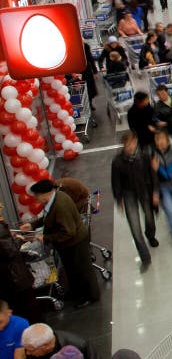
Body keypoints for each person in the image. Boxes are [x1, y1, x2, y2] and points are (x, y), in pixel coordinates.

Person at [23, 180, 100, 309]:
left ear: (43, 194)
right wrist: (32, 224)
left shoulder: (60, 205)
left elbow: (68, 232)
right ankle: (77, 293)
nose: (36, 199)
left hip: (75, 243)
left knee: (82, 271)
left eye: (36, 195)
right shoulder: (55, 199)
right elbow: (48, 218)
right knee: (72, 271)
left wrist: (45, 237)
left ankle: (90, 297)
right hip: (68, 245)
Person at [112, 131, 158, 270]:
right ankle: (145, 257)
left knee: (149, 217)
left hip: (144, 190)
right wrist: (118, 198)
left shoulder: (144, 156)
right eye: (128, 144)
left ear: (137, 141)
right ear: (123, 145)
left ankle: (150, 234)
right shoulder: (117, 162)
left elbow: (152, 174)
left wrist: (155, 192)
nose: (131, 146)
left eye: (133, 142)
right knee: (134, 226)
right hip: (128, 194)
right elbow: (116, 181)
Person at [1, 203, 40, 324]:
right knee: (31, 313)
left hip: (6, 280)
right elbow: (10, 251)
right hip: (15, 277)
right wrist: (19, 239)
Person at [21, 323, 96, 359]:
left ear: (45, 346)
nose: (27, 353)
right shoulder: (31, 346)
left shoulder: (79, 345)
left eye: (31, 350)